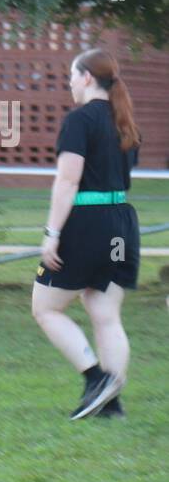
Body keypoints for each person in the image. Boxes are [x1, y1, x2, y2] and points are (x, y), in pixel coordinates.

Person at [32, 47, 141, 420]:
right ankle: (111, 406)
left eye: (71, 76)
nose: (69, 84)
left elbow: (68, 180)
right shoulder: (123, 120)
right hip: (120, 225)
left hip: (87, 224)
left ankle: (96, 379)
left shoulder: (79, 120)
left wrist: (52, 233)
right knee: (104, 311)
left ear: (87, 78)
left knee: (45, 308)